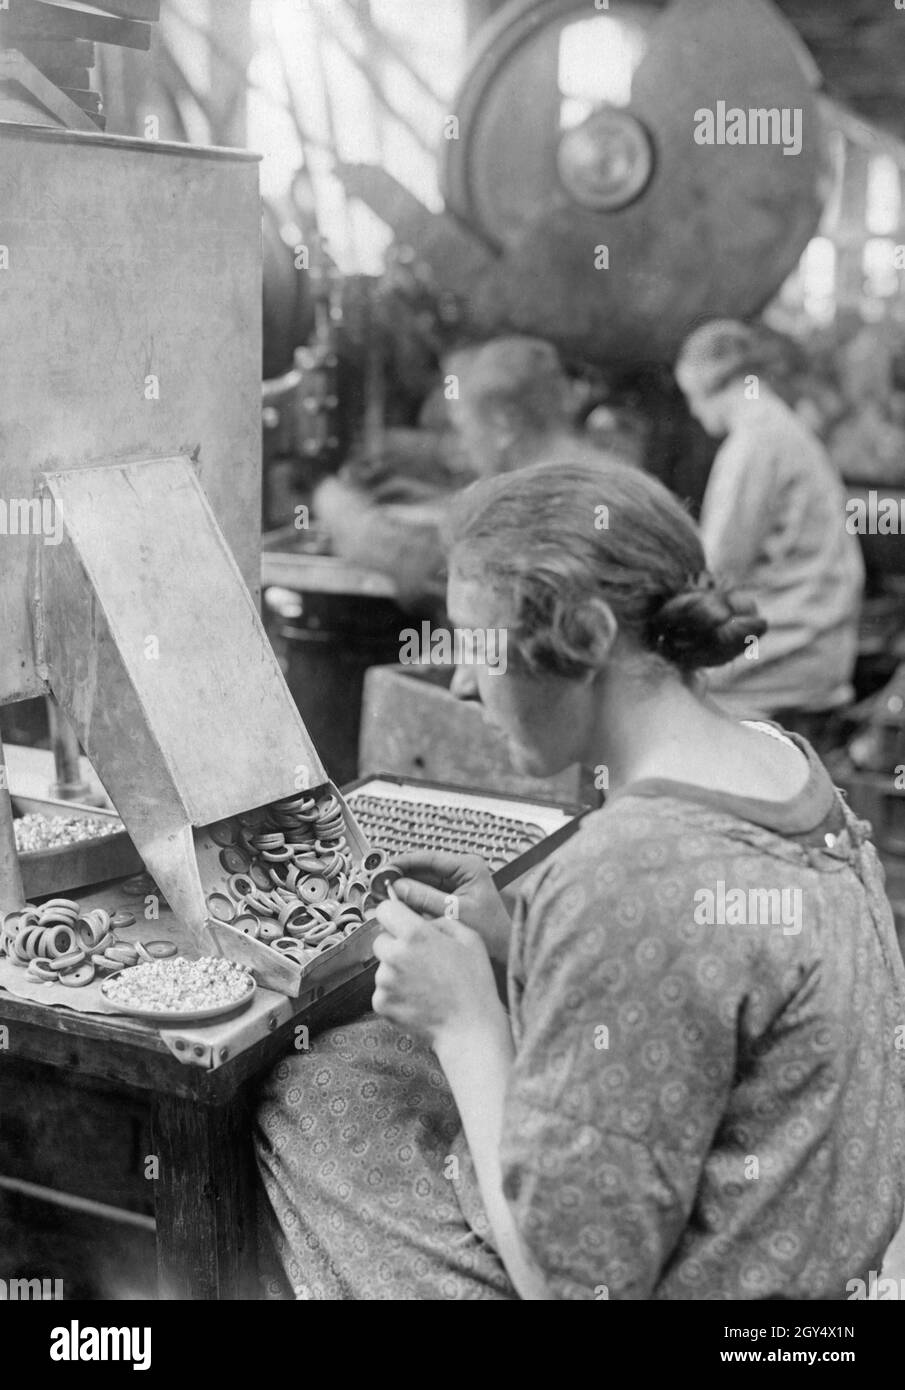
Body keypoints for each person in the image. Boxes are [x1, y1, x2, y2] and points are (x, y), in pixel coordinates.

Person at [255, 459, 905, 1300]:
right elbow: (704, 986)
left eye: (479, 644)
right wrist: (516, 942)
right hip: (807, 1271)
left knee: (308, 1096)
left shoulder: (626, 872)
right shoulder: (777, 759)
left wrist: (464, 1023)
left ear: (591, 637)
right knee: (365, 1065)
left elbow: (573, 1285)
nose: (460, 678)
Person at [675, 319, 865, 739]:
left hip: (790, 653)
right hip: (818, 643)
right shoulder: (780, 426)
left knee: (666, 689)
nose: (692, 410)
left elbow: (718, 569)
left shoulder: (755, 443)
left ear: (710, 381)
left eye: (690, 396)